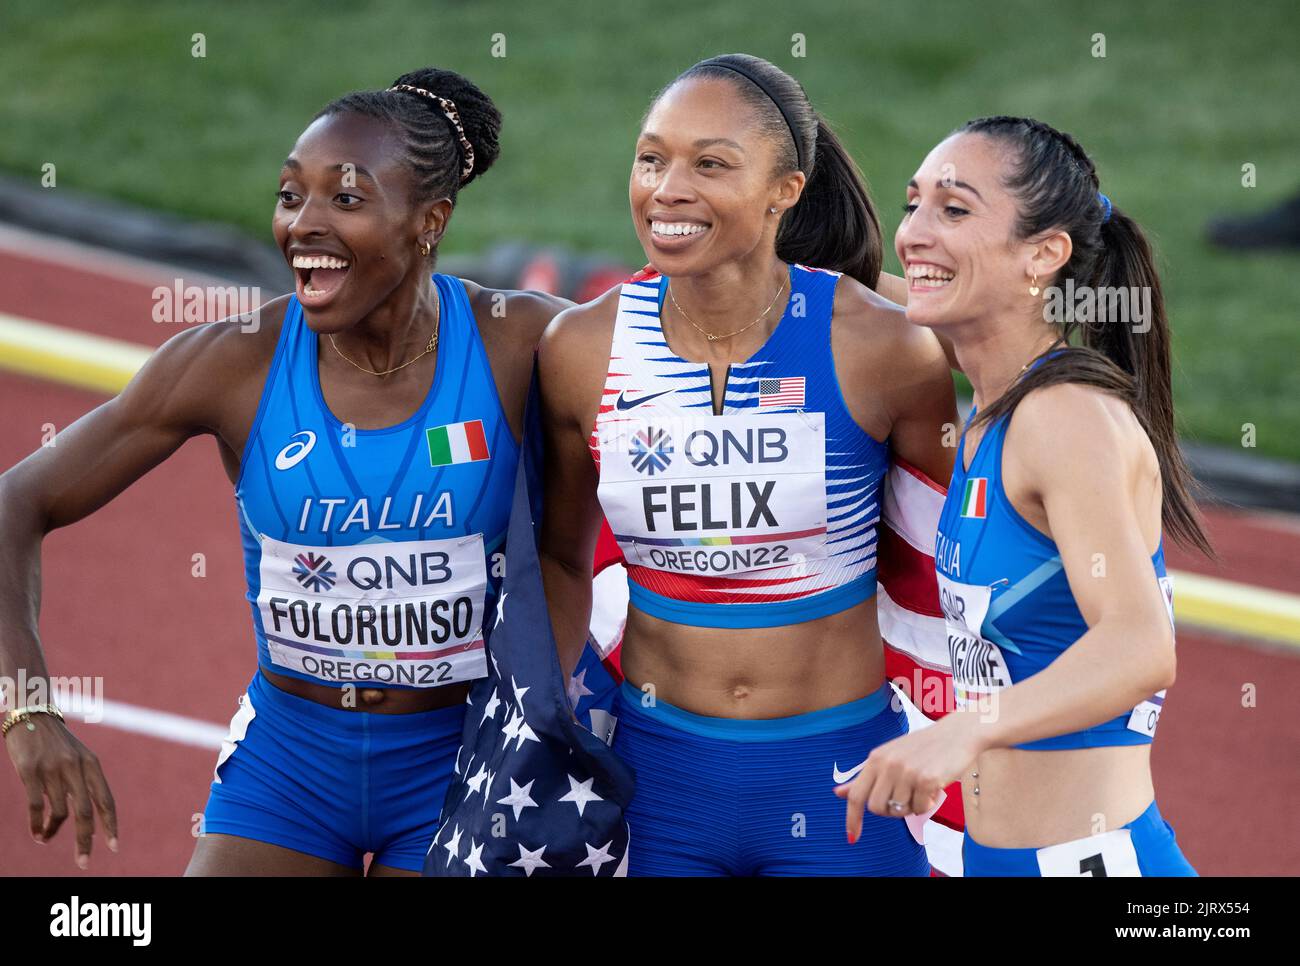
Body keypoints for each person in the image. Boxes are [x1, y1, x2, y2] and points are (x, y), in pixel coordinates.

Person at [0, 67, 568, 875]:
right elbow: (14, 503)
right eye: (289, 195)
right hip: (290, 768)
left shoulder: (521, 347)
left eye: (345, 200)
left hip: (462, 764)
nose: (303, 225)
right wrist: (26, 713)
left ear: (429, 222)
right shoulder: (232, 363)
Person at [537, 53, 956, 876]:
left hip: (842, 776)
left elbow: (945, 549)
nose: (667, 189)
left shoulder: (883, 350)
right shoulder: (581, 350)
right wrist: (550, 715)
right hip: (657, 775)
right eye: (651, 157)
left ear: (786, 191)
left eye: (711, 164)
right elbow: (559, 553)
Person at [838, 115, 1209, 876]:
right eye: (912, 205)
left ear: (1045, 253)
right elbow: (880, 285)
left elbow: (1141, 646)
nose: (914, 231)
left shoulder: (1064, 419)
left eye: (954, 209)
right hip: (998, 859)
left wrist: (961, 731)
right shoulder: (1001, 393)